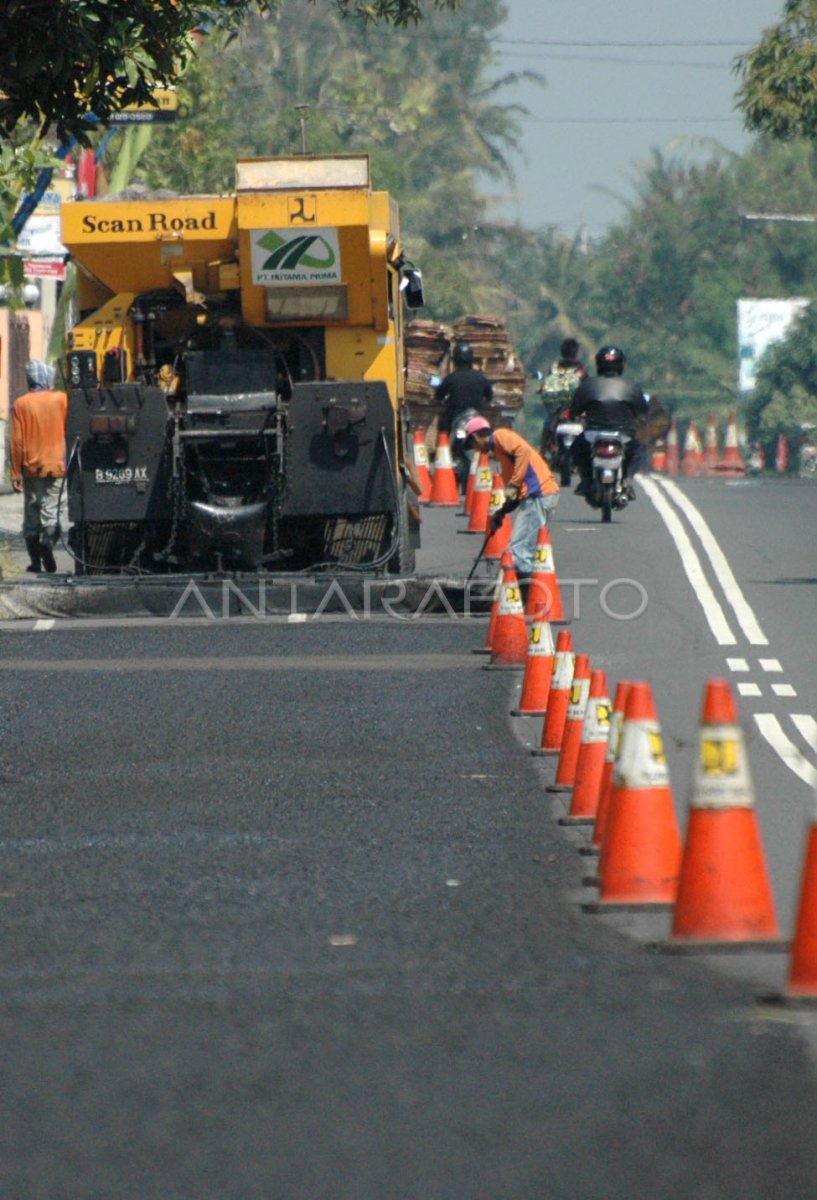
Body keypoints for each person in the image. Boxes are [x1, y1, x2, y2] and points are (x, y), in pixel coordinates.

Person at [464, 415, 559, 580]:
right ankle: (525, 592)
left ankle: (524, 595)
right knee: (526, 549)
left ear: (476, 436)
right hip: (536, 497)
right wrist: (501, 513)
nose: (475, 449)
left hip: (538, 495)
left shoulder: (500, 436)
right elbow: (515, 495)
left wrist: (514, 484)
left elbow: (523, 452)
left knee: (518, 552)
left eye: (473, 444)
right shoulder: (501, 453)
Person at [568, 345, 648, 499]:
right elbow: (643, 410)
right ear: (622, 364)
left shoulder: (588, 384)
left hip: (593, 434)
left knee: (576, 447)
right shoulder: (631, 385)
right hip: (624, 434)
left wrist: (576, 415)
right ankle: (628, 480)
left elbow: (575, 409)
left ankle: (585, 480)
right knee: (638, 450)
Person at [11, 360, 68, 574]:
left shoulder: (21, 404)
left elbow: (16, 442)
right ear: (46, 378)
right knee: (51, 511)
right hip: (57, 465)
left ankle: (36, 563)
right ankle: (48, 543)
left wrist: (15, 473)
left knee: (32, 516)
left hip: (31, 468)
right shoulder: (62, 399)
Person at [435, 341, 493, 491]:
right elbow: (490, 396)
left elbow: (437, 397)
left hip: (458, 421)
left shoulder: (451, 379)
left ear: (455, 360)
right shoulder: (481, 378)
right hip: (479, 421)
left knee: (446, 438)